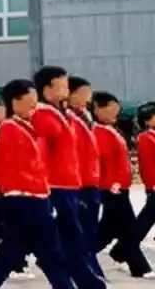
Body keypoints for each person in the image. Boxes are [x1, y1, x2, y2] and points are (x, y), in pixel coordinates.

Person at [0, 79, 74, 289]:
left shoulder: (27, 125)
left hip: (34, 196)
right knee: (34, 249)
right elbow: (20, 165)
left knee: (22, 248)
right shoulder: (9, 128)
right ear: (15, 101)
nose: (34, 106)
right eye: (31, 100)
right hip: (22, 198)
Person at [30, 66, 106, 289]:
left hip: (71, 184)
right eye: (61, 85)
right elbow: (40, 155)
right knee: (67, 239)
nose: (66, 89)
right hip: (56, 186)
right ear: (47, 89)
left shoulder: (64, 114)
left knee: (66, 240)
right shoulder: (43, 116)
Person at [93, 92, 155, 278]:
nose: (116, 111)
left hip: (119, 185)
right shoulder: (99, 132)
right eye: (111, 107)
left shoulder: (111, 130)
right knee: (127, 228)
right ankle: (137, 265)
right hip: (112, 186)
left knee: (112, 229)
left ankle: (132, 261)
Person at [67, 76, 106, 279]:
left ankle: (89, 268)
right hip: (78, 181)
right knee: (80, 231)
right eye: (83, 94)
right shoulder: (67, 118)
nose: (87, 98)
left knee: (89, 229)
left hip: (91, 179)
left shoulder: (85, 116)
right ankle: (87, 271)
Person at [134, 104, 155, 254]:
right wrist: (151, 184)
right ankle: (123, 248)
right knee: (145, 220)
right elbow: (147, 164)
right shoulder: (145, 138)